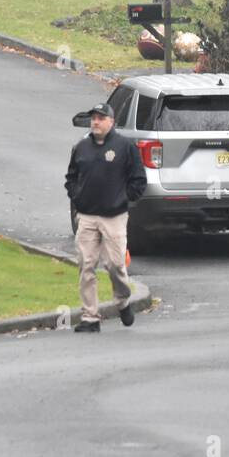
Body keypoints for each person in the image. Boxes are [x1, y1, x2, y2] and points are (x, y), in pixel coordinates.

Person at [64, 102, 146, 332]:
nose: (96, 122)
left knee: (115, 265)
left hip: (114, 216)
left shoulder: (125, 147)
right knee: (86, 265)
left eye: (100, 118)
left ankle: (122, 302)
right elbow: (71, 177)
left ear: (111, 121)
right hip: (87, 216)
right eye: (93, 118)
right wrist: (77, 196)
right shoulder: (81, 148)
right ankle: (90, 317)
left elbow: (139, 179)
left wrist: (124, 199)